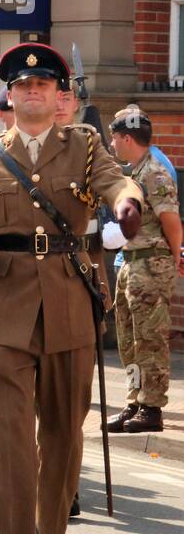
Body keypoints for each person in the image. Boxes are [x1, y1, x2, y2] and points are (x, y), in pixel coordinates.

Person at [0, 42, 143, 534]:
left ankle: (53, 526)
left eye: (42, 86)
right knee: (13, 440)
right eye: (23, 86)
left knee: (63, 433)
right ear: (10, 96)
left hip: (68, 306)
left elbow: (116, 184)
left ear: (58, 94)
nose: (32, 93)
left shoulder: (83, 147)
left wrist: (127, 208)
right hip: (3, 313)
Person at [107, 108, 180, 434]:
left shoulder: (154, 173)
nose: (111, 143)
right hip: (132, 262)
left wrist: (175, 254)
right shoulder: (134, 173)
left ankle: (152, 408)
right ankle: (135, 401)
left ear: (126, 138)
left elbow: (171, 222)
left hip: (151, 264)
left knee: (149, 338)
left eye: (114, 137)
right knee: (129, 339)